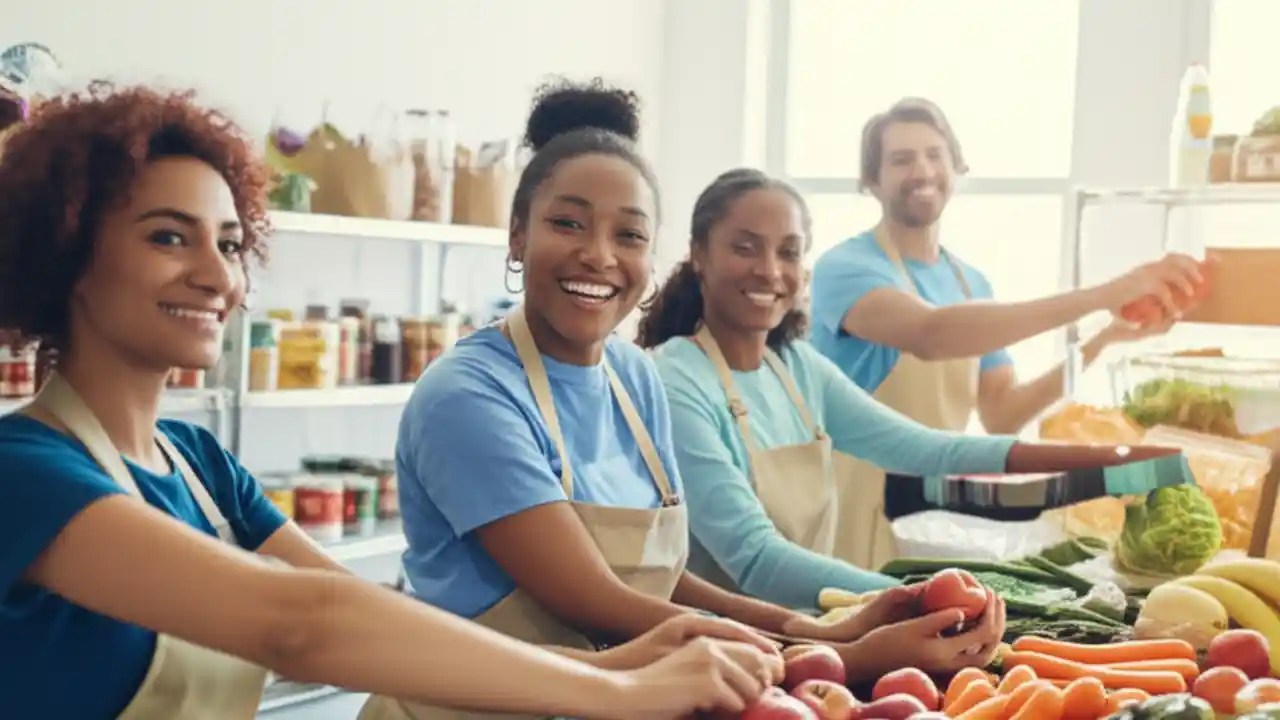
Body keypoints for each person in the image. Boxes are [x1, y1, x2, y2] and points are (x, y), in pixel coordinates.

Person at [0, 82, 785, 720]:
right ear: (68, 250)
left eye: (231, 244)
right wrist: (615, 687)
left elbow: (368, 611)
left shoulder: (199, 466)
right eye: (169, 238)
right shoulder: (24, 470)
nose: (217, 275)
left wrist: (618, 661)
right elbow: (299, 622)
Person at [385, 79, 1009, 715]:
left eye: (628, 236)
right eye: (568, 223)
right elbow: (598, 603)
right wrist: (841, 656)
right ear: (517, 236)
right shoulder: (468, 398)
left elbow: (660, 580)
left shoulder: (633, 379)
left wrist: (820, 629)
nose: (598, 255)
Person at [635, 168, 1178, 607]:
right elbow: (754, 558)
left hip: (812, 636)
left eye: (789, 252)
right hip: (713, 648)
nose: (769, 270)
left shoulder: (794, 368)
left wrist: (1112, 462)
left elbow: (931, 449)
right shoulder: (674, 380)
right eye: (745, 248)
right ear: (699, 255)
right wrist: (929, 599)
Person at [809, 97, 1205, 438]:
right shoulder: (845, 269)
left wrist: (1104, 338)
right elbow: (930, 334)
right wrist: (1101, 296)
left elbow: (1003, 415)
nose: (923, 171)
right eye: (901, 160)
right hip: (850, 509)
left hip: (931, 511)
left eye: (935, 155)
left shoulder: (970, 284)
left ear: (957, 169)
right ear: (872, 183)